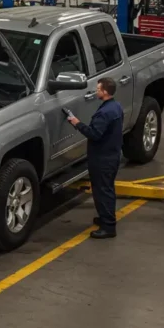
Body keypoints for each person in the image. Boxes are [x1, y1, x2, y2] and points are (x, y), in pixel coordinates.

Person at [67, 77, 124, 239]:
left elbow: (94, 134)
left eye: (98, 89)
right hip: (112, 155)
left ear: (105, 92)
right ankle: (106, 218)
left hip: (102, 159)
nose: (96, 91)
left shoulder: (104, 113)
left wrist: (76, 123)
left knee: (102, 191)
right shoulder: (116, 107)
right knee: (107, 189)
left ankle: (108, 227)